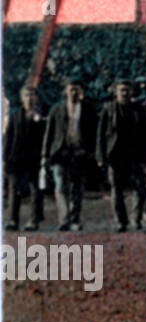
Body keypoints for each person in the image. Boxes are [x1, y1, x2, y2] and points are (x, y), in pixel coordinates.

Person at [97, 80, 146, 232]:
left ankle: (136, 220)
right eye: (121, 90)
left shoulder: (139, 109)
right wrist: (101, 156)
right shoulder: (109, 109)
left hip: (136, 155)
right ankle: (121, 221)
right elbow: (101, 134)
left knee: (138, 188)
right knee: (116, 189)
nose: (124, 93)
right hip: (115, 155)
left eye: (127, 90)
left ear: (131, 92)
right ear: (116, 92)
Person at [42, 80, 97, 232]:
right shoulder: (57, 109)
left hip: (80, 153)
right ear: (66, 91)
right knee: (60, 186)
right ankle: (64, 218)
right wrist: (45, 154)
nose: (73, 93)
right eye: (71, 89)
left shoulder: (88, 109)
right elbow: (49, 132)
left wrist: (92, 152)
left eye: (76, 90)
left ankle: (75, 218)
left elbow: (94, 132)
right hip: (60, 152)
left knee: (77, 188)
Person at [4, 86, 47, 231]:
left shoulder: (41, 116)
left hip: (34, 159)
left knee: (35, 191)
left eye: (31, 96)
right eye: (26, 96)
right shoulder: (15, 116)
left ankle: (33, 221)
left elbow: (46, 137)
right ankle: (12, 220)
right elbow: (8, 138)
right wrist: (5, 157)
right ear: (22, 98)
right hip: (16, 158)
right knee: (14, 190)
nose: (29, 99)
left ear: (36, 98)